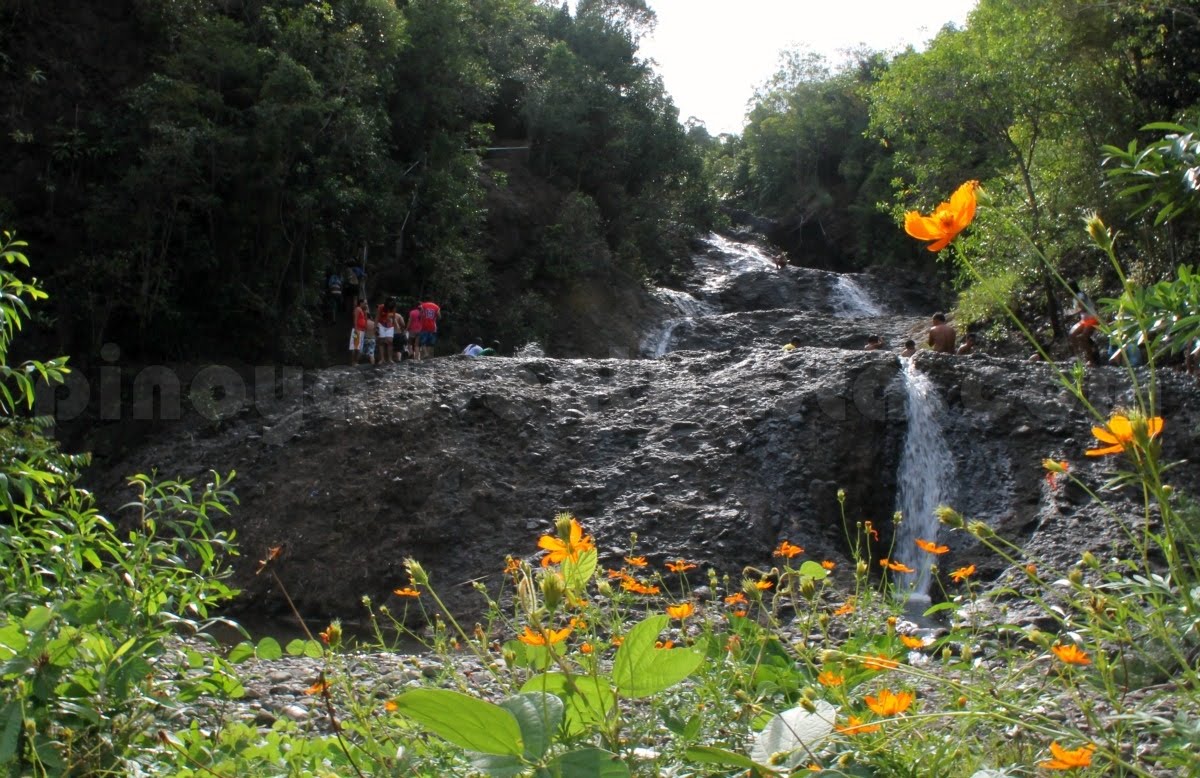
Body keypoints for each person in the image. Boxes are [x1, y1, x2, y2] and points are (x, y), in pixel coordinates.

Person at [1067, 281, 1100, 365]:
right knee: (1072, 334)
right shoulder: (1075, 298)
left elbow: (1083, 308)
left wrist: (1071, 313)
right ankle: (1078, 357)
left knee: (1083, 337)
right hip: (1084, 320)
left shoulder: (1081, 295)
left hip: (1092, 319)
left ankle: (1090, 360)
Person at [349, 299, 367, 366]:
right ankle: (353, 362)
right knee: (354, 346)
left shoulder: (362, 310)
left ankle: (356, 362)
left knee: (358, 347)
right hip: (357, 330)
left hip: (361, 331)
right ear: (361, 303)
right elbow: (355, 319)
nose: (366, 305)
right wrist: (356, 329)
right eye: (365, 303)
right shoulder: (358, 309)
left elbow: (365, 319)